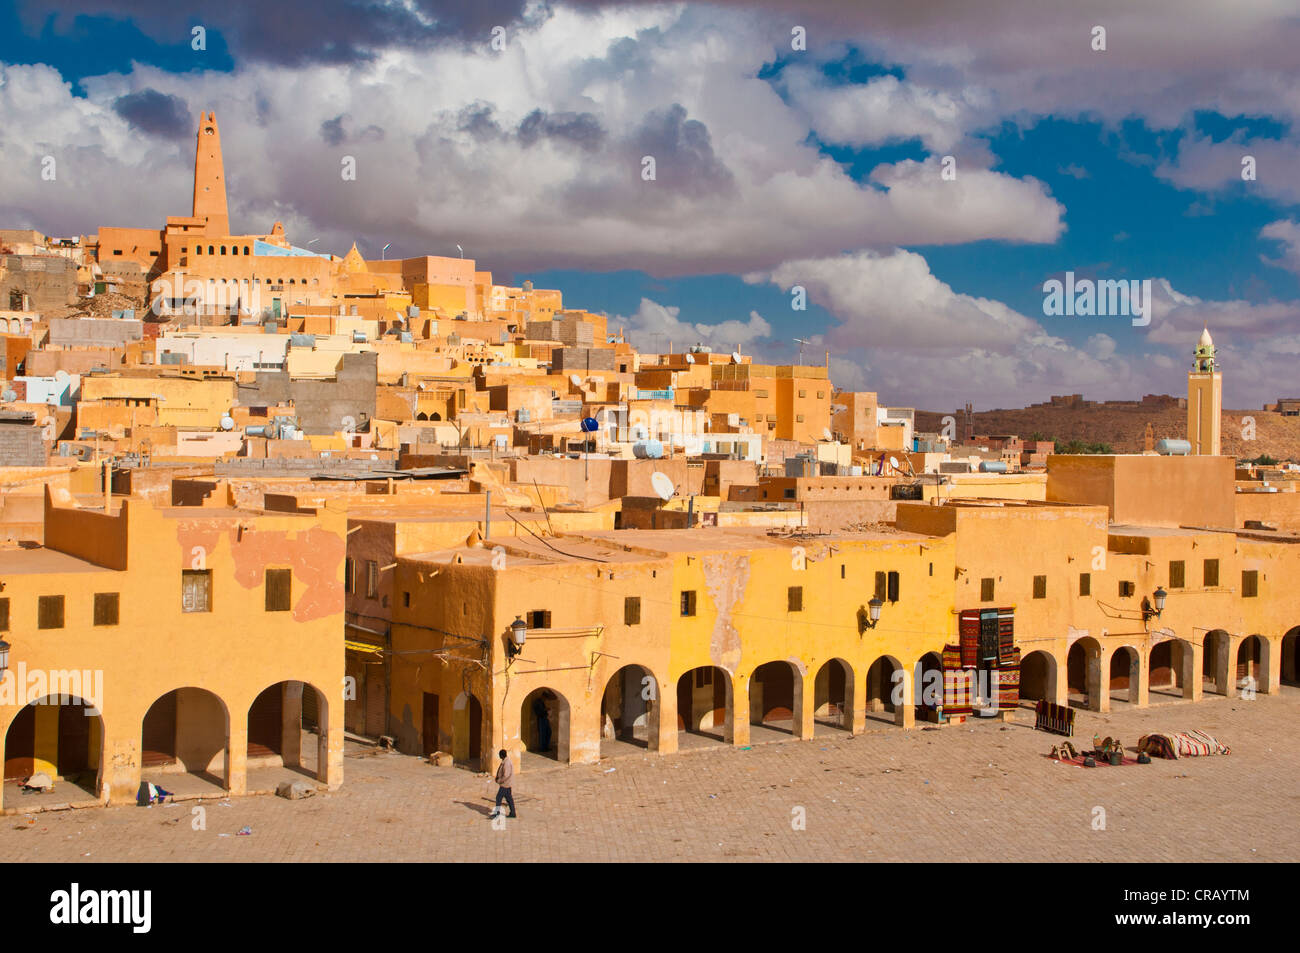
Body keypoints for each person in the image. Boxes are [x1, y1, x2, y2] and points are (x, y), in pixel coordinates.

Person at [490, 749, 517, 819]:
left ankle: (497, 813)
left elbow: (506, 775)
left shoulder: (506, 763)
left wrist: (499, 780)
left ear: (502, 755)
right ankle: (513, 813)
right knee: (509, 798)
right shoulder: (505, 761)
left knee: (498, 798)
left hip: (505, 784)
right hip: (507, 784)